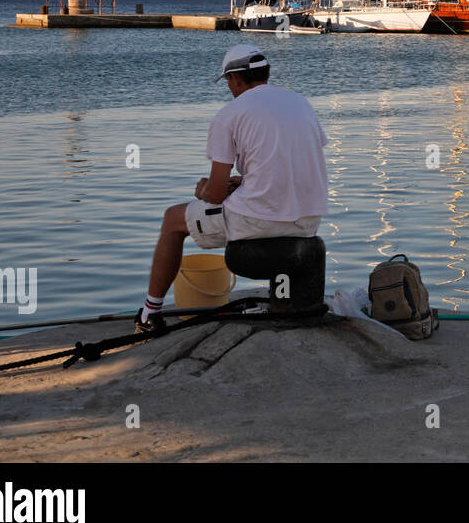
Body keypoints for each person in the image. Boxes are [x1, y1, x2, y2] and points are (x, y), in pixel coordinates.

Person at [137, 44, 329, 330]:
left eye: (228, 80)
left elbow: (214, 196)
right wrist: (247, 180)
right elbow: (296, 159)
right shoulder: (300, 102)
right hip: (308, 221)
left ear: (236, 78)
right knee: (248, 203)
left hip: (259, 223)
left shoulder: (230, 114)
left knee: (172, 220)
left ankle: (149, 312)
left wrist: (203, 190)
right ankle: (284, 302)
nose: (228, 87)